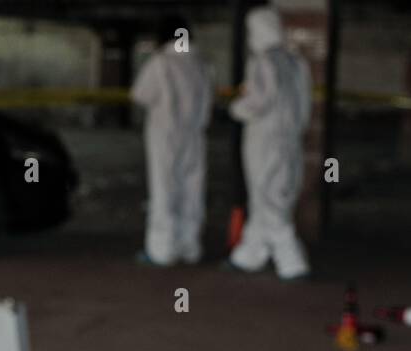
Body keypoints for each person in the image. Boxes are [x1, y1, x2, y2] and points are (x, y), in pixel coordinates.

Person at [228, 5, 313, 280]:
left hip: (265, 140)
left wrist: (236, 108)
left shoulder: (263, 62)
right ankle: (250, 254)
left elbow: (259, 101)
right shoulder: (295, 62)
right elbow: (304, 106)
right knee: (275, 196)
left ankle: (292, 261)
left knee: (268, 197)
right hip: (289, 140)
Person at [130, 17, 214, 266]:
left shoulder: (162, 63)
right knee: (192, 189)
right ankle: (189, 246)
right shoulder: (200, 63)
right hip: (195, 136)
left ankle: (161, 250)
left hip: (166, 135)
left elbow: (140, 95)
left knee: (164, 190)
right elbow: (208, 101)